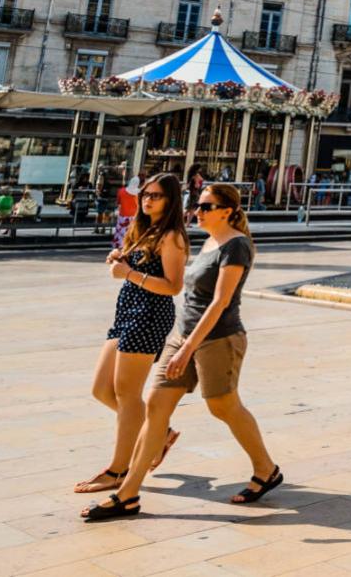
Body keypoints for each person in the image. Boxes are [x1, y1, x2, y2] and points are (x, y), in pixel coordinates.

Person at [83, 184, 281, 520]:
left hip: (218, 339)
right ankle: (127, 494)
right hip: (184, 336)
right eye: (197, 206)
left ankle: (266, 469)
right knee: (156, 407)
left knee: (224, 407)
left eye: (207, 207)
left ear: (227, 211)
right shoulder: (209, 241)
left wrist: (187, 349)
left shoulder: (237, 246)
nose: (198, 212)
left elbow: (219, 302)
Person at [74, 174, 188, 495]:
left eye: (157, 196)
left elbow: (173, 286)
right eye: (145, 194)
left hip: (149, 315)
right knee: (101, 389)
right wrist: (121, 259)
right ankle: (160, 433)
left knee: (127, 394)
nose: (148, 200)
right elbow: (135, 267)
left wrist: (129, 273)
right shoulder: (144, 228)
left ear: (171, 200)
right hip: (126, 313)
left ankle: (118, 470)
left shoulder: (172, 236)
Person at [113, 177, 140, 249]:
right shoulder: (140, 193)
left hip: (123, 216)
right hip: (135, 217)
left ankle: (119, 248)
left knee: (120, 234)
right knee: (132, 235)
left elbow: (118, 203)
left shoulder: (121, 191)